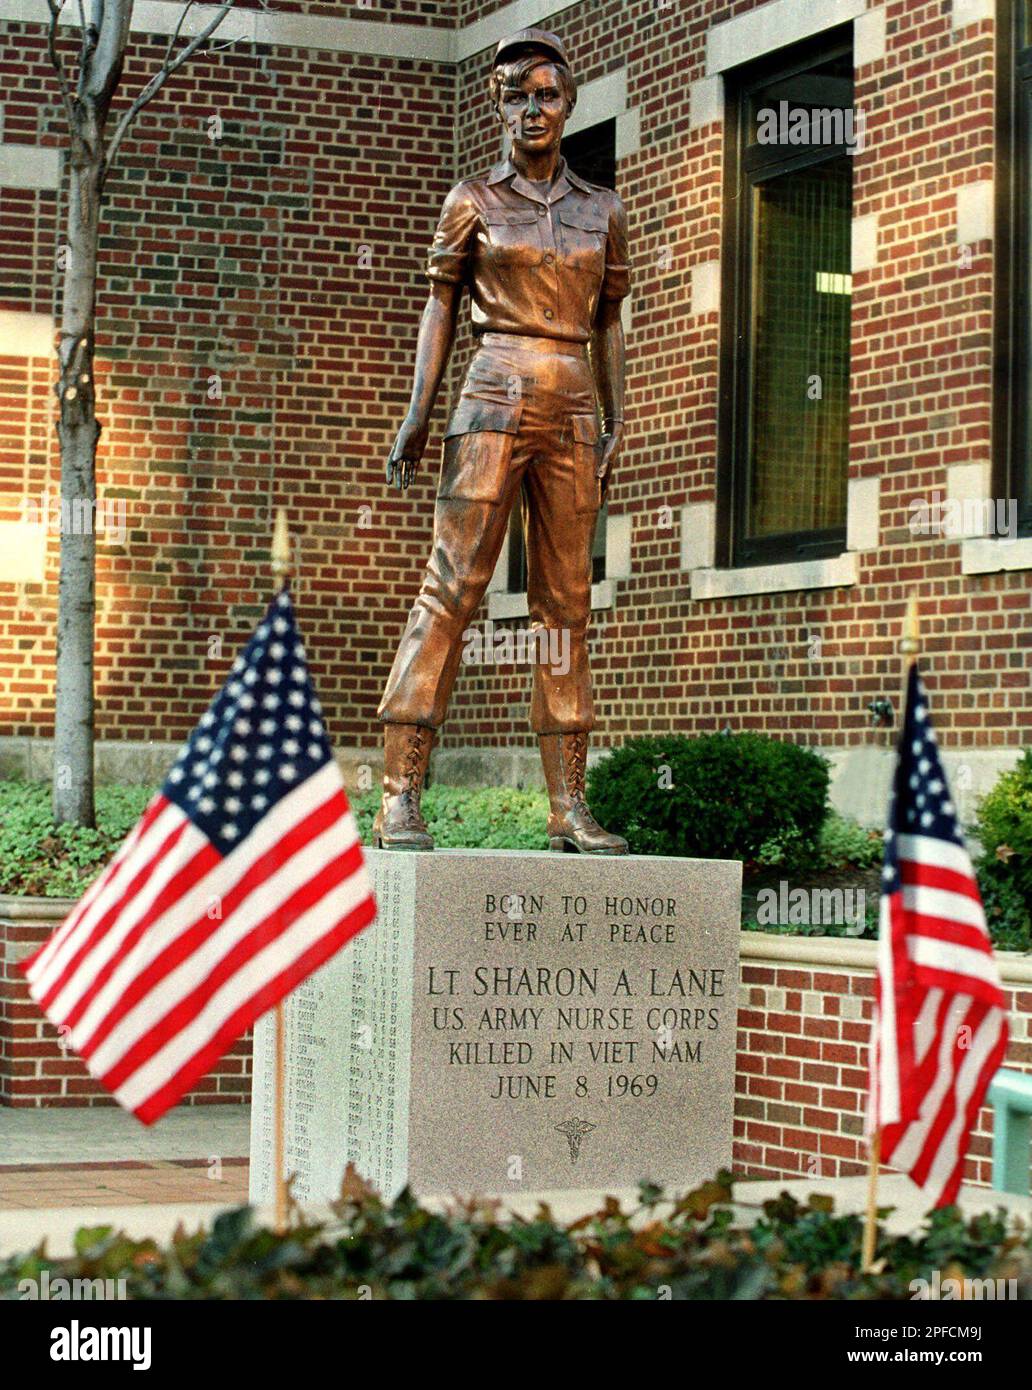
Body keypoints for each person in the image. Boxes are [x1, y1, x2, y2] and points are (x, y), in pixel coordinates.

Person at [374, 27, 630, 855]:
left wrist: (617, 415)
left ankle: (568, 804)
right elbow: (441, 304)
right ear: (498, 104)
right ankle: (400, 793)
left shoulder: (602, 210)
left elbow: (610, 321)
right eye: (516, 94)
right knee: (452, 588)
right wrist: (418, 411)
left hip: (572, 400)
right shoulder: (472, 200)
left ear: (568, 104)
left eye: (546, 94)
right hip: (490, 390)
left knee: (567, 606)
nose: (532, 109)